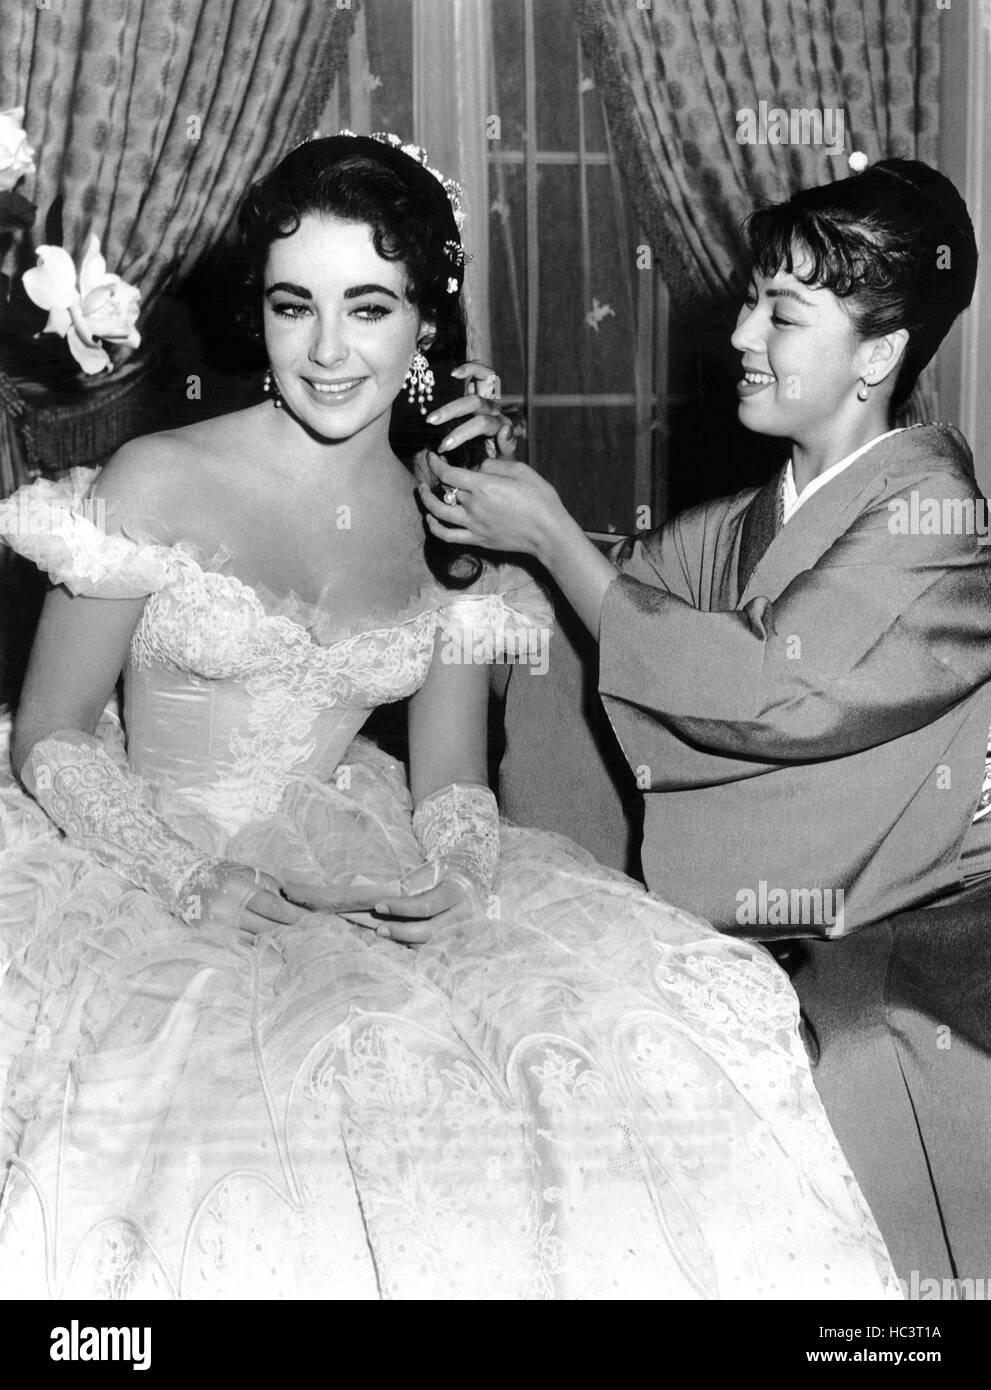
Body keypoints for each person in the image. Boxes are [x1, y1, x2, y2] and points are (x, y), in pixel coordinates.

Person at [0, 134, 898, 1300]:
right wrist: (183, 875)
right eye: (293, 306)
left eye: (367, 308)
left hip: (342, 851)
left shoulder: (448, 519)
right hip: (132, 865)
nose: (327, 351)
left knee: (651, 1032)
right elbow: (52, 732)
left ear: (424, 321)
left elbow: (451, 780)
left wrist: (458, 878)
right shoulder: (157, 476)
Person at [420, 158, 990, 1280]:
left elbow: (770, 692)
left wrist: (554, 541)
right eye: (746, 300)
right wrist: (480, 493)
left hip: (919, 921)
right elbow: (597, 615)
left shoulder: (938, 521)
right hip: (790, 914)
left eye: (781, 312)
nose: (740, 333)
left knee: (849, 1072)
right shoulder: (738, 523)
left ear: (877, 354)